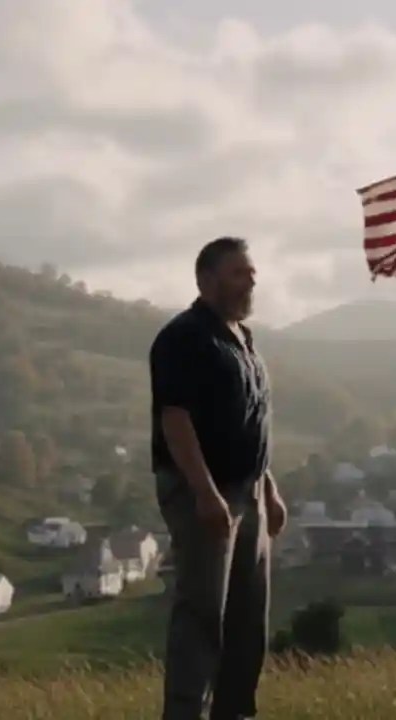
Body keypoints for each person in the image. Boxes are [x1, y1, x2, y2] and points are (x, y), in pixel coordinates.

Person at [150, 236, 288, 720]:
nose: (251, 280)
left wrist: (268, 489)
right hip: (204, 494)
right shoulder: (184, 338)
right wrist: (205, 494)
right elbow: (176, 419)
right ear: (205, 280)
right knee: (203, 616)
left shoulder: (244, 341)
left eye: (251, 272)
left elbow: (249, 421)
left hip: (248, 492)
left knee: (248, 621)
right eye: (238, 273)